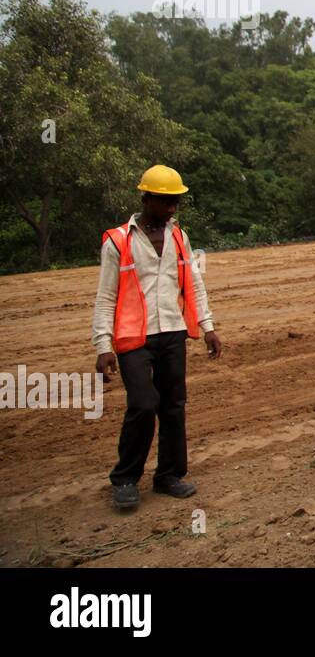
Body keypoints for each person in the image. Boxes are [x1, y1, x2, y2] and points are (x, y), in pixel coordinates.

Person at [92, 165, 222, 510]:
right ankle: (125, 479)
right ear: (146, 198)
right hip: (133, 337)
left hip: (173, 332)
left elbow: (194, 283)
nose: (171, 209)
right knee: (142, 405)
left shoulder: (179, 237)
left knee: (174, 406)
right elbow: (106, 296)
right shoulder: (118, 240)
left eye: (175, 202)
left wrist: (208, 327)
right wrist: (103, 345)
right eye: (165, 202)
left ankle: (169, 476)